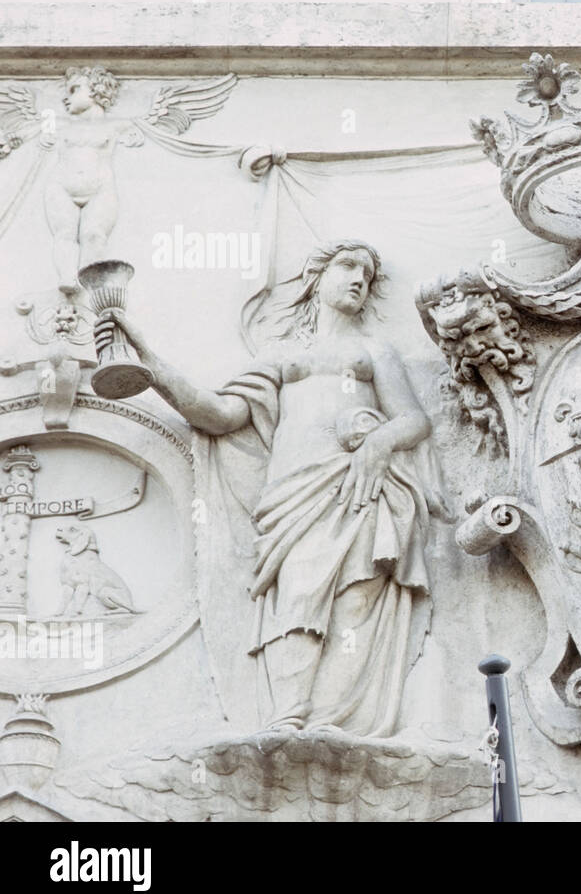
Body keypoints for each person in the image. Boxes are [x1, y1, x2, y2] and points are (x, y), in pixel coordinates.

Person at [96, 240, 440, 736]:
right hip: (296, 491)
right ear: (316, 277)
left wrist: (378, 444)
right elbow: (217, 415)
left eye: (367, 272)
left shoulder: (374, 350)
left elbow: (413, 419)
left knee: (357, 598)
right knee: (298, 593)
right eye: (347, 266)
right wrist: (148, 363)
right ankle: (289, 717)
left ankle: (334, 723)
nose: (359, 278)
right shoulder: (282, 356)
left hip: (360, 486)